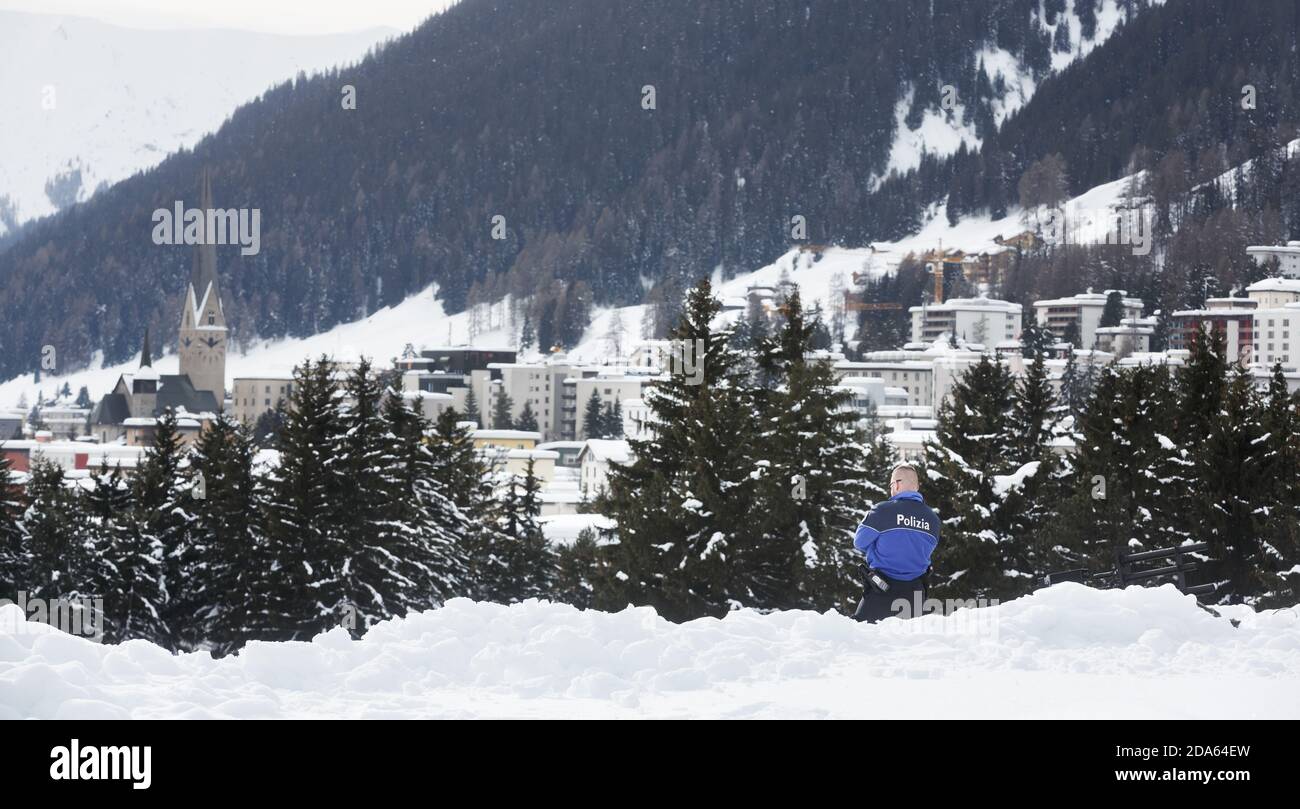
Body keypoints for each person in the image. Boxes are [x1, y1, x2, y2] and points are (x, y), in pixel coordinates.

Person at [851, 463, 940, 623]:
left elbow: (859, 542)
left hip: (880, 592)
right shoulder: (933, 520)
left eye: (891, 485)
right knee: (909, 638)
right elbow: (925, 550)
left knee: (860, 634)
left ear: (897, 484)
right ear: (917, 487)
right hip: (915, 597)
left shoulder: (882, 510)